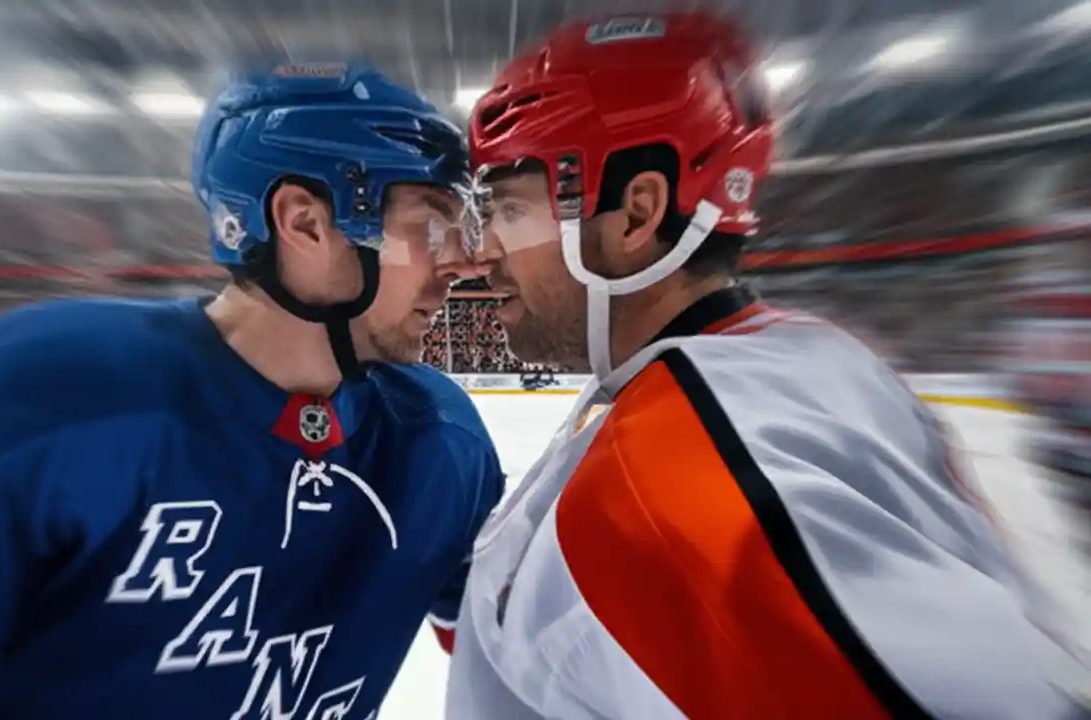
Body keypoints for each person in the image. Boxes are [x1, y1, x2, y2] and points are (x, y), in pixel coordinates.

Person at [0, 63, 504, 719]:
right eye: (432, 225)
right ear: (304, 222)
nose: (463, 261)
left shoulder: (447, 441)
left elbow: (514, 648)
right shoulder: (60, 389)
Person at [448, 12, 1090, 719]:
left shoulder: (655, 488)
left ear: (636, 215)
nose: (483, 254)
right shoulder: (822, 355)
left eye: (509, 209)